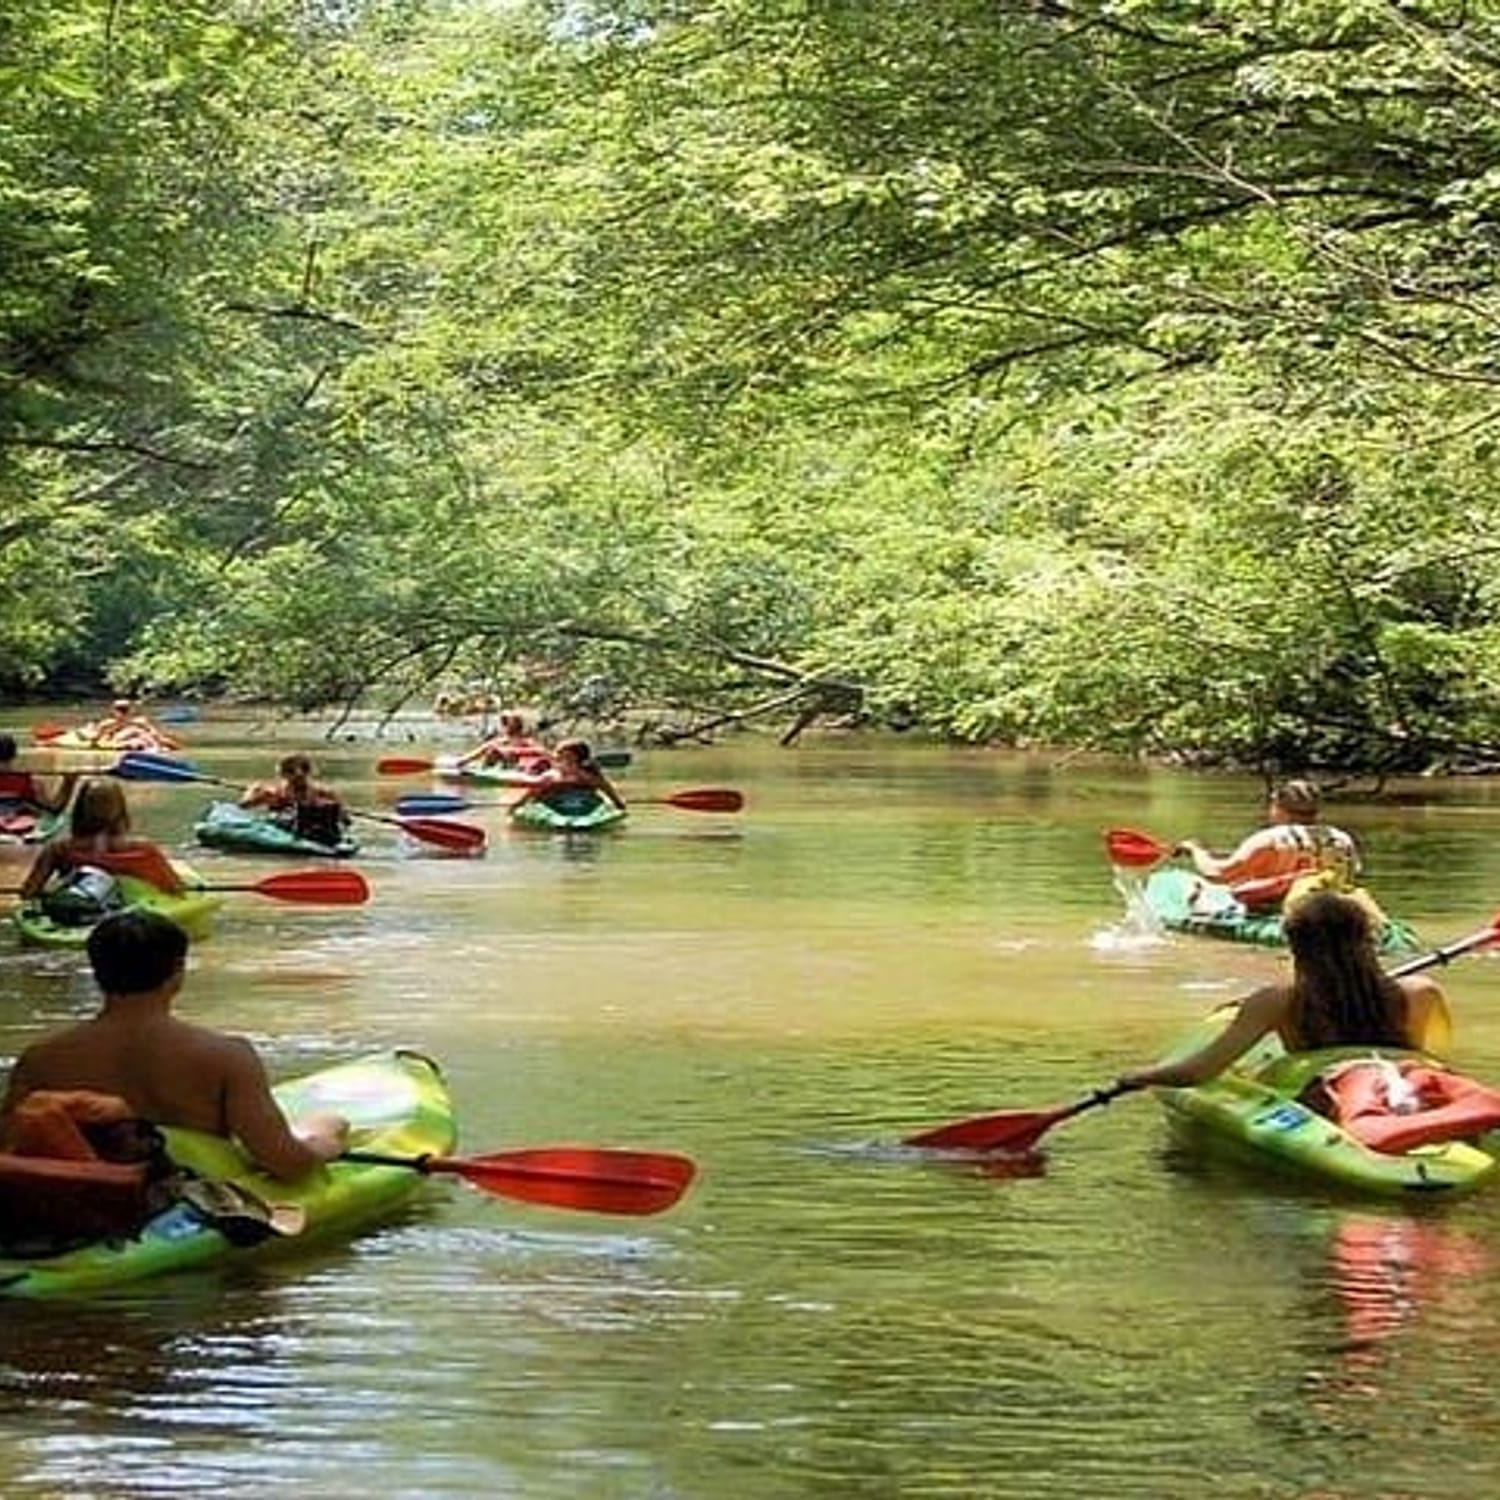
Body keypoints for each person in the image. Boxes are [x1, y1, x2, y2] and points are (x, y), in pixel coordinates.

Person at [0, 911, 347, 1181]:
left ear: (96, 971)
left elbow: (11, 1149)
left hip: (93, 1195)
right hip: (188, 1188)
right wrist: (322, 1147)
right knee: (329, 1122)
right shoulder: (227, 1056)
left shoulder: (41, 1059)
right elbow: (284, 1164)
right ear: (178, 970)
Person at [1113, 892, 1450, 1094]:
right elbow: (1428, 1061)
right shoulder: (1421, 992)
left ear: (1295, 946)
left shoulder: (1276, 1002)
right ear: (1368, 941)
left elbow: (1197, 1072)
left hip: (1326, 1097)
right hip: (1401, 1091)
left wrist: (1135, 1076)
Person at [1174, 778, 1360, 890]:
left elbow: (1216, 873)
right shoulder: (1342, 838)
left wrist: (1195, 850)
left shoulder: (1270, 838)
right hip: (1330, 906)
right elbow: (1353, 873)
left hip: (1278, 910)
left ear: (1278, 808)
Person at [20, 777, 184, 898]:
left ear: (80, 809)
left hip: (81, 909)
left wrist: (52, 895)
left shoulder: (57, 849)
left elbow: (28, 893)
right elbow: (175, 890)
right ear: (121, 809)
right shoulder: (144, 849)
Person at [240, 753, 349, 848]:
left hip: (319, 831)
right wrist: (254, 794)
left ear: (309, 772)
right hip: (283, 828)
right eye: (291, 771)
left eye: (304, 769)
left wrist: (335, 809)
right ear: (282, 773)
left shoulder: (325, 793)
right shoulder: (269, 791)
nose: (299, 774)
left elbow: (345, 820)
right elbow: (242, 808)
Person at [514, 738, 626, 811]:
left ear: (578, 758)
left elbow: (605, 787)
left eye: (567, 757)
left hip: (583, 805)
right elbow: (533, 791)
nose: (561, 759)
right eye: (561, 756)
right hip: (554, 805)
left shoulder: (589, 774)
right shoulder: (551, 775)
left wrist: (618, 803)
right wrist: (518, 805)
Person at [0, 732, 77, 814]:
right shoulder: (31, 782)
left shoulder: (30, 781)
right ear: (13, 756)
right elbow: (54, 808)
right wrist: (68, 783)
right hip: (24, 823)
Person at [455, 712, 546, 771]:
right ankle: (481, 769)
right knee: (492, 749)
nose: (505, 726)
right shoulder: (501, 741)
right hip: (502, 769)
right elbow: (481, 750)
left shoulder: (527, 742)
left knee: (493, 750)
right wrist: (463, 760)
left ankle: (480, 768)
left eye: (508, 723)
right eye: (505, 723)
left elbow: (541, 751)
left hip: (516, 770)